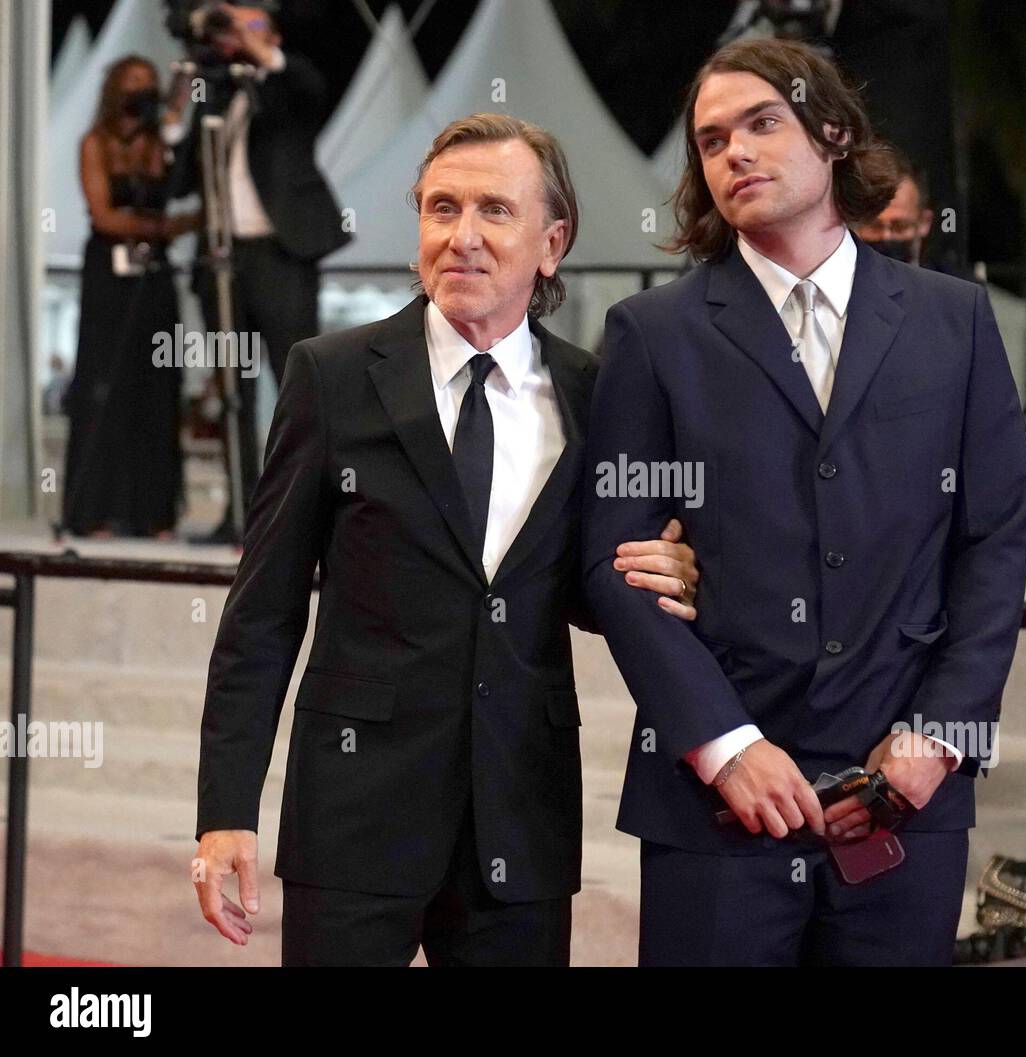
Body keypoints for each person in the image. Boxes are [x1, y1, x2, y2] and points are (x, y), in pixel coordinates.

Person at [193, 113, 704, 967]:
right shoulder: (333, 374)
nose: (461, 236)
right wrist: (224, 811)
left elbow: (584, 582)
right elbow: (263, 614)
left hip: (522, 819)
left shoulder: (594, 392)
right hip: (355, 819)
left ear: (552, 242)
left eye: (493, 211)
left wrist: (664, 568)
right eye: (440, 208)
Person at [582, 37, 1026, 966]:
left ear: (832, 132)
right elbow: (614, 561)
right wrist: (723, 743)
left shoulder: (956, 319)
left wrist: (942, 733)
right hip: (715, 809)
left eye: (761, 123)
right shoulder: (651, 334)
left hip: (906, 794)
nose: (734, 153)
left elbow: (993, 538)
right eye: (711, 141)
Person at [167, 2, 351, 542]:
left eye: (249, 23)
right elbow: (179, 181)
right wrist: (181, 108)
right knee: (230, 387)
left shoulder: (286, 84)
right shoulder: (216, 91)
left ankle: (307, 516)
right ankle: (241, 514)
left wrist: (255, 48)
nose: (235, 34)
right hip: (223, 258)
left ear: (270, 35)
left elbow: (307, 89)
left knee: (298, 382)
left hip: (279, 252)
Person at [62, 55, 201, 539]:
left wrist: (169, 126)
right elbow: (103, 216)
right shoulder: (94, 143)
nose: (140, 91)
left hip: (154, 273)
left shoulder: (157, 143)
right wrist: (165, 228)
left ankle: (154, 511)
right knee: (104, 384)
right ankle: (94, 508)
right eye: (132, 83)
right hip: (108, 274)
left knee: (157, 386)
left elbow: (180, 186)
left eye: (148, 83)